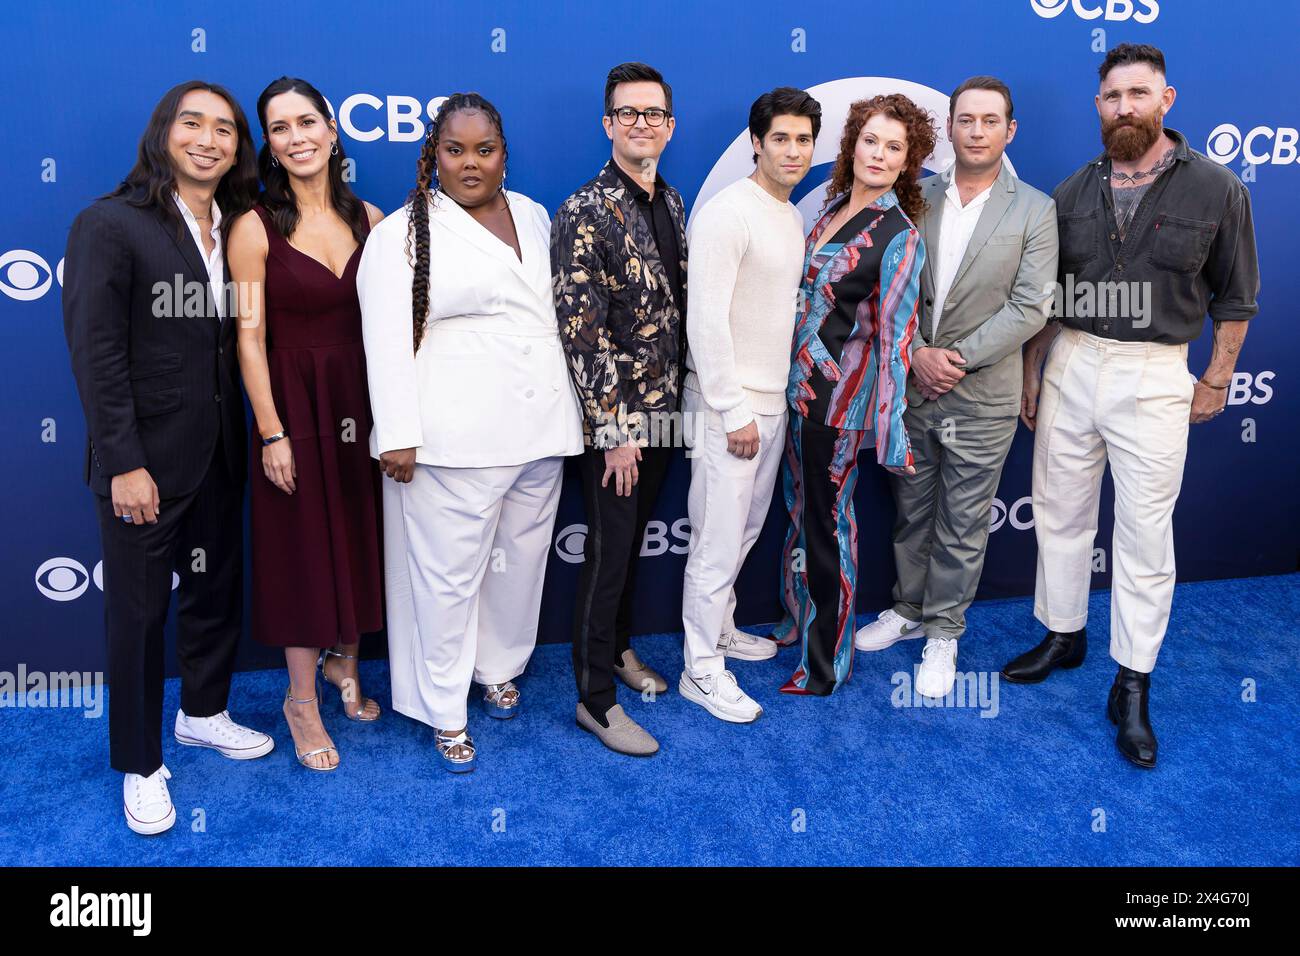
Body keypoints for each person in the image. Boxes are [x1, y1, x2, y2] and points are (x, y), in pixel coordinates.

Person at [1002, 44, 1259, 769]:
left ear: (1166, 100)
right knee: (1058, 509)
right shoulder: (1072, 191)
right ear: (1098, 105)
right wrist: (1031, 369)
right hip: (1073, 361)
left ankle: (1133, 679)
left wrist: (1216, 380)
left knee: (1145, 534)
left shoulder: (1217, 188)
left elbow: (1237, 298)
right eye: (1113, 97)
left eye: (1138, 95)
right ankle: (1063, 631)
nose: (1125, 108)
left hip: (1155, 373)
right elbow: (1050, 299)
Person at [63, 81, 272, 835]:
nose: (209, 140)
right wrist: (122, 460)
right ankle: (140, 762)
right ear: (164, 133)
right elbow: (97, 352)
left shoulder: (239, 226)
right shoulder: (110, 224)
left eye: (225, 129)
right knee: (140, 615)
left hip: (218, 452)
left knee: (214, 595)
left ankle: (204, 711)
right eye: (194, 124)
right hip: (143, 461)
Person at [359, 93, 583, 773]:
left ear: (503, 154)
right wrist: (396, 431)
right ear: (434, 154)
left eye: (484, 149)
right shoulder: (401, 230)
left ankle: (498, 667)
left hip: (541, 426)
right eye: (454, 150)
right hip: (451, 437)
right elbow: (385, 338)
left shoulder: (537, 215)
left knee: (517, 565)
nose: (470, 163)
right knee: (447, 579)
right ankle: (444, 709)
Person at [854, 77, 1059, 700]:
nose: (976, 131)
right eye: (965, 120)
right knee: (912, 510)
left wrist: (957, 359)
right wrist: (916, 353)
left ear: (1008, 131)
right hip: (914, 385)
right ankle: (911, 609)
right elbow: (890, 286)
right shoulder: (916, 196)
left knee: (964, 520)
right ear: (949, 127)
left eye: (989, 121)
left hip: (982, 394)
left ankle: (945, 630)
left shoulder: (1035, 208)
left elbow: (1031, 306)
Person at [227, 77, 386, 772]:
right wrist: (270, 431)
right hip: (292, 403)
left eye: (306, 122)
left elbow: (390, 329)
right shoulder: (252, 227)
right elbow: (248, 338)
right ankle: (300, 699)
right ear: (270, 143)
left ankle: (344, 665)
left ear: (331, 129)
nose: (297, 138)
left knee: (358, 532)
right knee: (298, 547)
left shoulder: (372, 219)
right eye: (280, 128)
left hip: (361, 402)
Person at [772, 93, 933, 696]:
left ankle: (826, 663)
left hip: (839, 408)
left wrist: (890, 433)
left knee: (828, 527)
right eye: (872, 140)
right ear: (853, 144)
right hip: (797, 393)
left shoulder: (900, 234)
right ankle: (797, 621)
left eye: (895, 147)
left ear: (908, 161)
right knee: (799, 515)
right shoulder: (831, 208)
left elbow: (897, 340)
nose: (880, 154)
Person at [551, 62, 688, 755]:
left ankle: (619, 652)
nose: (641, 123)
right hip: (619, 426)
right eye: (628, 113)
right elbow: (582, 329)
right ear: (609, 125)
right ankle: (594, 701)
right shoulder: (583, 210)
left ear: (669, 125)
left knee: (632, 546)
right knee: (606, 556)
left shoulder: (673, 202)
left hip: (668, 415)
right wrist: (614, 431)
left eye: (653, 113)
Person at [679, 87, 819, 722]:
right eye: (781, 138)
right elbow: (704, 322)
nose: (793, 150)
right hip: (726, 408)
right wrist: (732, 409)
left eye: (803, 139)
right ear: (756, 143)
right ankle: (699, 668)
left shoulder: (786, 214)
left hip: (770, 403)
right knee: (715, 540)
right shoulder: (726, 214)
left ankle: (723, 630)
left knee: (744, 532)